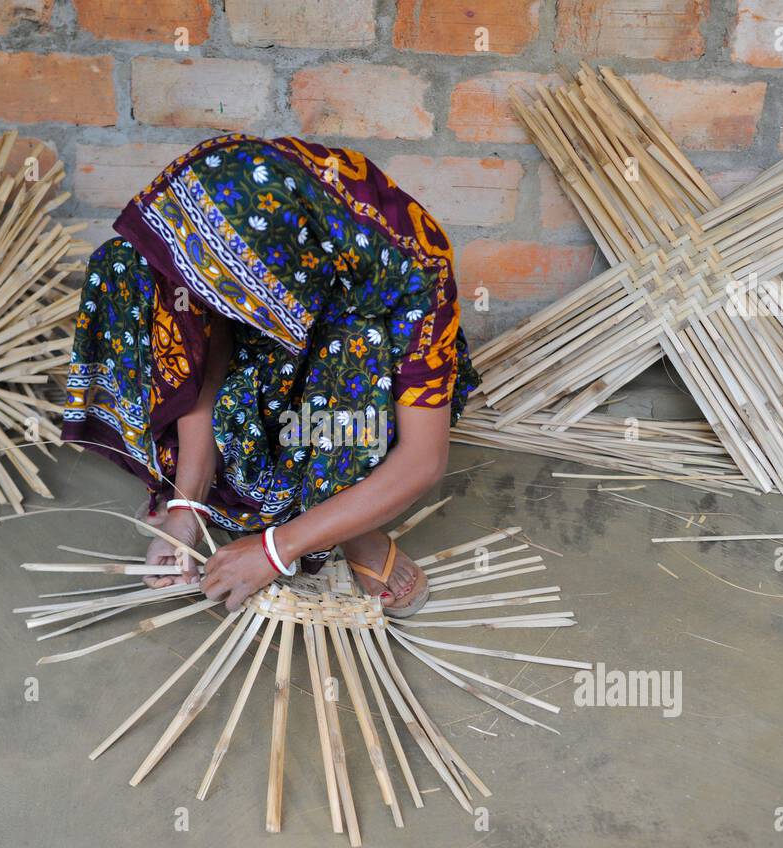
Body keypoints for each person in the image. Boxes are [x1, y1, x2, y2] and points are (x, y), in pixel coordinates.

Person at [62, 134, 479, 615]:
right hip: (268, 357)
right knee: (129, 264)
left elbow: (423, 460)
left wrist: (274, 550)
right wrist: (187, 508)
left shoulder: (415, 272)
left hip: (342, 383)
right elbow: (206, 362)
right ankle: (215, 490)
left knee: (358, 345)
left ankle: (349, 519)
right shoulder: (243, 192)